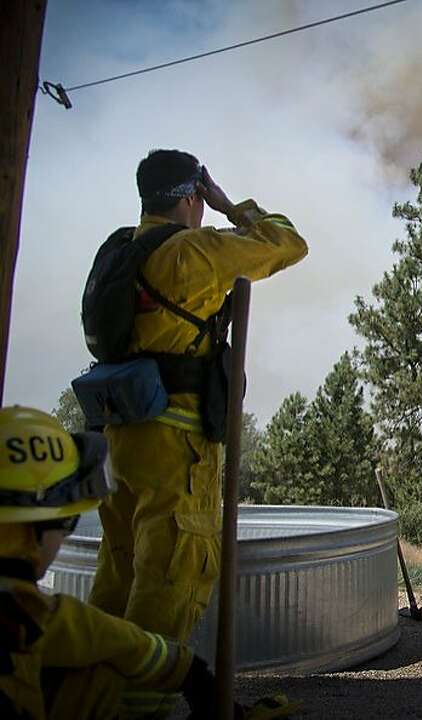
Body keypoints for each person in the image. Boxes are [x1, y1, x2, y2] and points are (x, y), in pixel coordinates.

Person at [87, 149, 307, 716]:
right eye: (200, 199)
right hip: (175, 444)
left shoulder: (118, 250)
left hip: (118, 436)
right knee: (171, 576)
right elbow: (288, 243)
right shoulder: (190, 252)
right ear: (191, 196)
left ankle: (96, 701)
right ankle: (144, 707)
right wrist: (231, 205)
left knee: (120, 571)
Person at [0, 405, 220, 719]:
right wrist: (193, 674)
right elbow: (84, 631)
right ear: (30, 528)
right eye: (67, 521)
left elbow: (80, 628)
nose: (64, 537)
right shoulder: (19, 617)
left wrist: (182, 667)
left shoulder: (26, 610)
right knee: (95, 681)